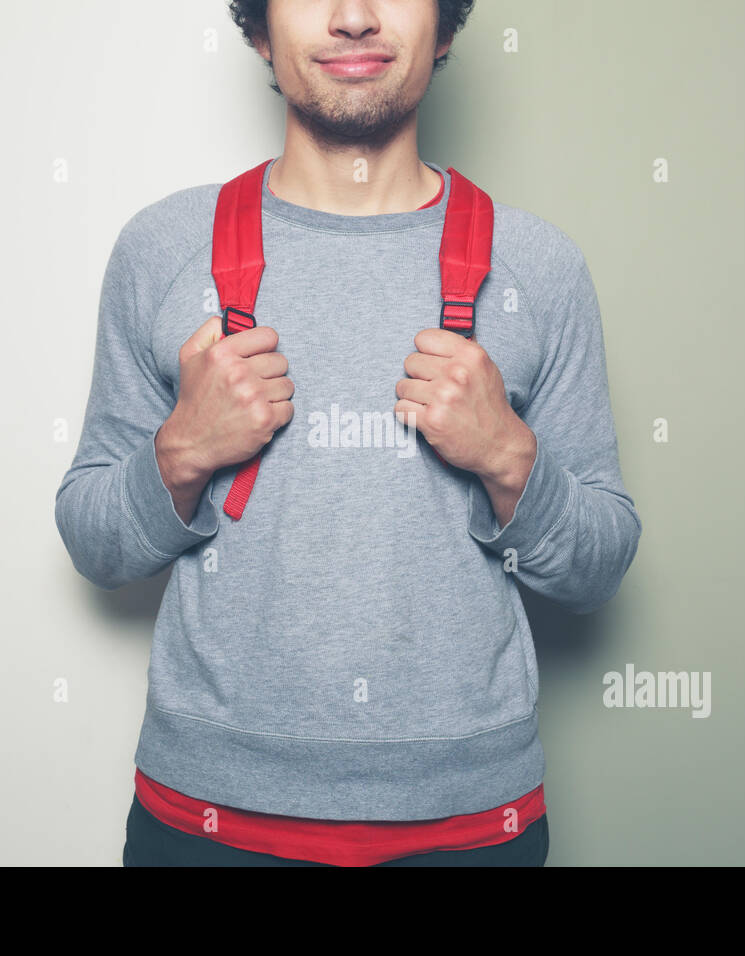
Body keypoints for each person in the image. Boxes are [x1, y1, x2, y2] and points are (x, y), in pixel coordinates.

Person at [55, 0, 642, 867]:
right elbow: (95, 545)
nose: (354, 17)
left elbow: (599, 568)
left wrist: (510, 458)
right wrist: (181, 451)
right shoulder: (162, 248)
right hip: (206, 822)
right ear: (258, 26)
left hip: (471, 828)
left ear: (444, 27)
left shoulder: (539, 268)